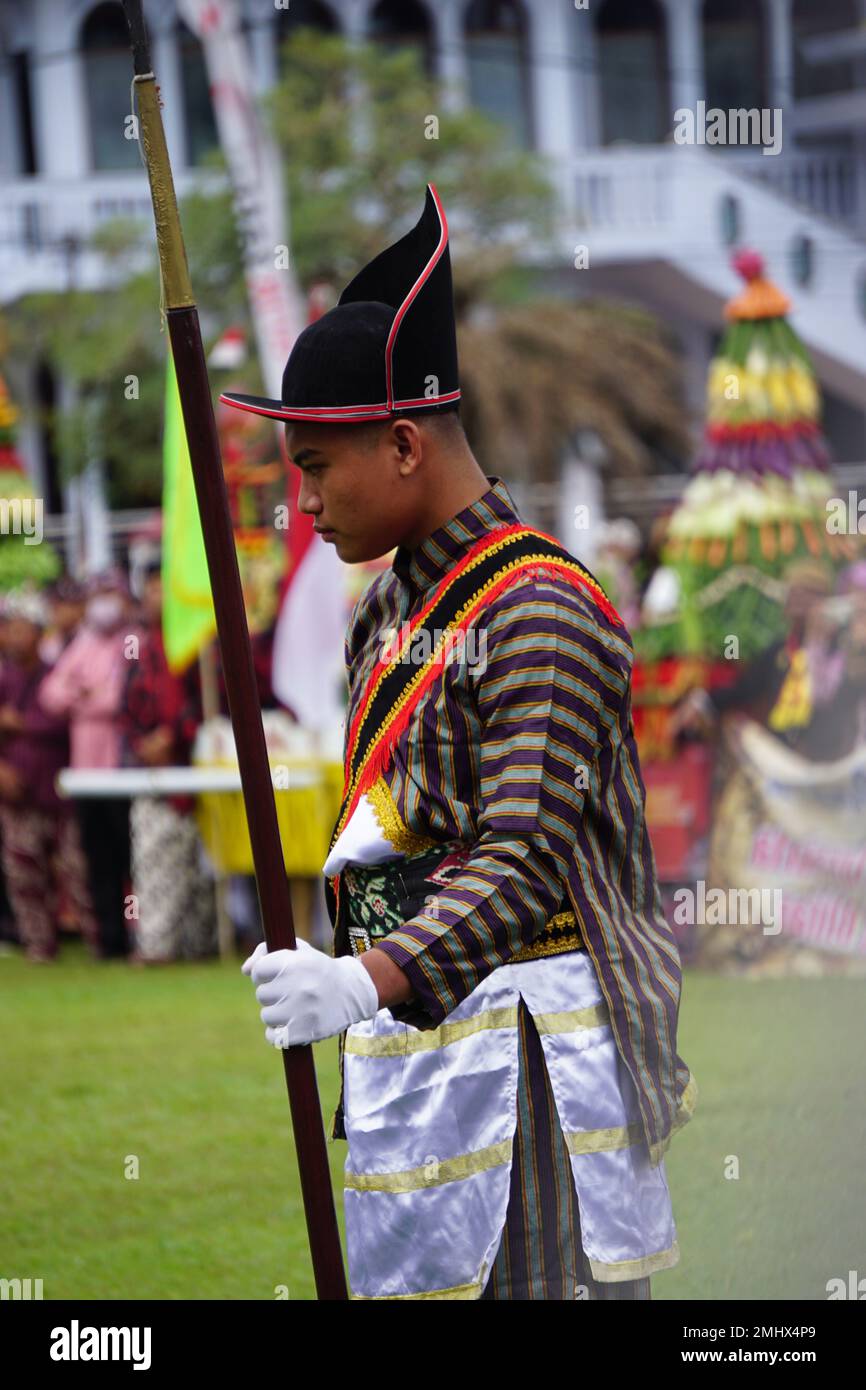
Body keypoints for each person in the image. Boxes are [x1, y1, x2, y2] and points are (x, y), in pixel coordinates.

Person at [231, 184, 696, 1300]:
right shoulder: (384, 614)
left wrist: (362, 979)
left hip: (536, 1065)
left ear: (400, 444)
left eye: (313, 470)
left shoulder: (538, 606)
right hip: (419, 1046)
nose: (303, 506)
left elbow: (522, 848)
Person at [39, 569, 137, 959]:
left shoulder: (132, 641)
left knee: (129, 858)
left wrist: (83, 697)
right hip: (86, 774)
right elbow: (52, 694)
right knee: (97, 859)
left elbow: (120, 697)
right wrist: (88, 696)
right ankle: (108, 941)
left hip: (121, 771)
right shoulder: (83, 642)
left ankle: (139, 936)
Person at [121, 563, 216, 962]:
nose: (157, 598)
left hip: (195, 776)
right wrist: (146, 744)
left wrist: (174, 736)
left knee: (198, 871)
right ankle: (156, 947)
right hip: (152, 778)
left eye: (164, 589)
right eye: (151, 590)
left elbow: (208, 706)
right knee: (153, 861)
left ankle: (200, 946)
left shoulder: (194, 650)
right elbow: (126, 710)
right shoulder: (138, 650)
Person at [0, 588, 97, 961]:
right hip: (16, 794)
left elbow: (61, 718)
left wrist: (18, 723)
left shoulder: (58, 672)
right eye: (10, 629)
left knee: (77, 870)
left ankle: (97, 942)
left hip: (59, 792)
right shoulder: (5, 678)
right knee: (23, 874)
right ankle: (38, 944)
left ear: (40, 634)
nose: (15, 637)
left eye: (23, 629)